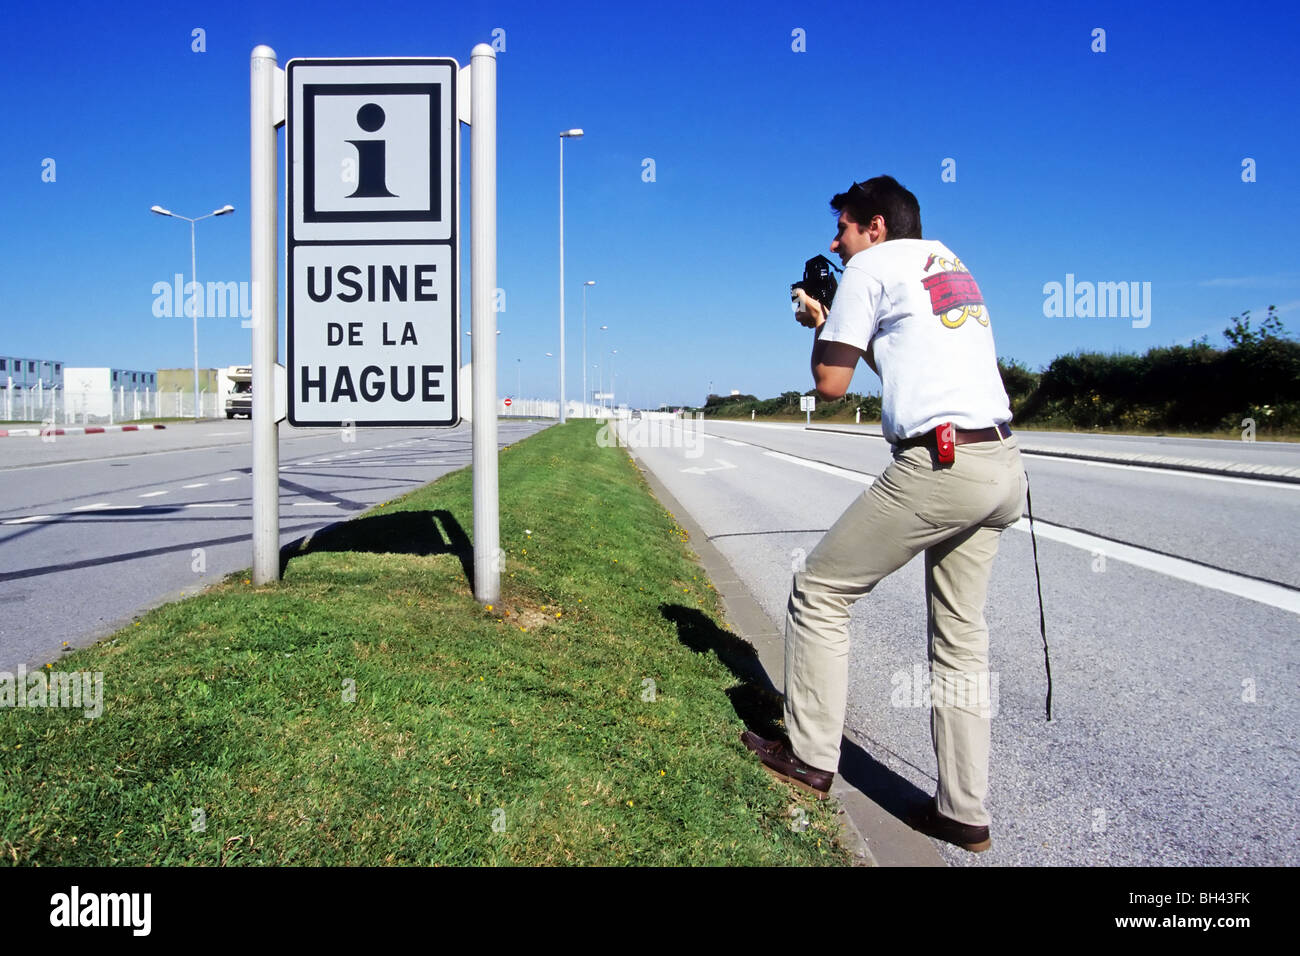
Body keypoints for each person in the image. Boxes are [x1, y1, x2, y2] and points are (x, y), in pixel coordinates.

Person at [741, 175, 1026, 853]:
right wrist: (849, 327)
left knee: (820, 589)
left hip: (941, 465)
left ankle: (809, 757)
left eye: (841, 226)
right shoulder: (946, 261)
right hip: (1001, 463)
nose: (834, 240)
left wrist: (820, 325)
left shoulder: (868, 266)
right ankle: (963, 811)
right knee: (960, 638)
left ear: (874, 226)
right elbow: (910, 366)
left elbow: (829, 384)